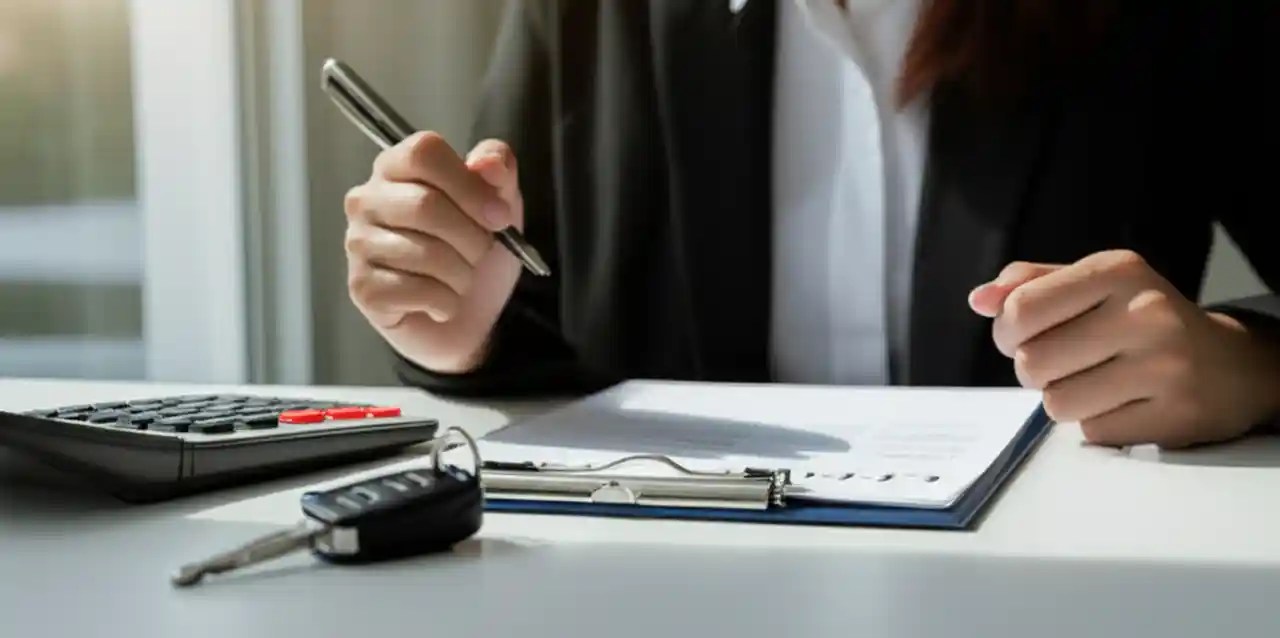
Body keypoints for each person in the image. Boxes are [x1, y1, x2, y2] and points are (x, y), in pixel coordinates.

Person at [340, 0, 1280, 449]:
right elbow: (522, 314)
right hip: (666, 616)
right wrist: (458, 331)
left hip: (1059, 623)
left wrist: (1249, 363)